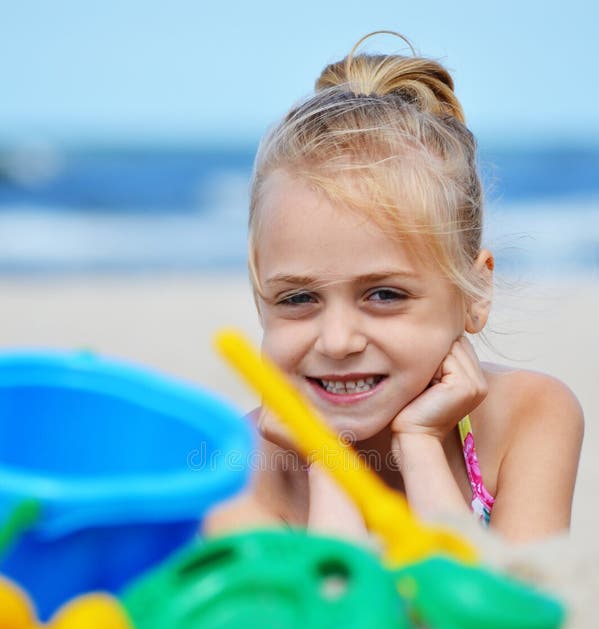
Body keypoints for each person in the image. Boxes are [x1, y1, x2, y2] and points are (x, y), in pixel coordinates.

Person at [205, 31, 583, 544]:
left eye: (384, 294)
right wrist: (329, 464)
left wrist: (421, 445)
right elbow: (335, 619)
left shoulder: (530, 415)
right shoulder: (231, 469)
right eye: (298, 298)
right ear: (260, 297)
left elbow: (486, 616)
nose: (337, 342)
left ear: (475, 292)